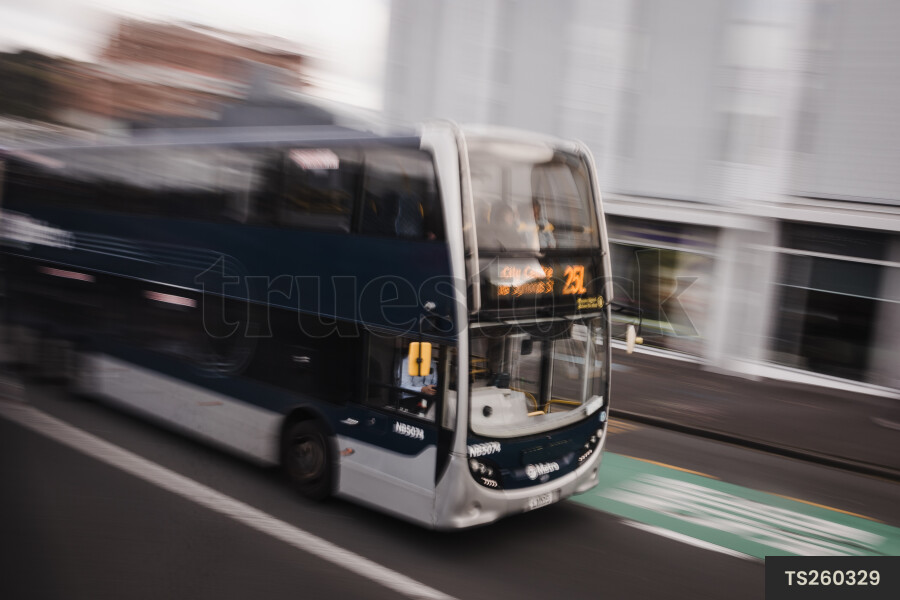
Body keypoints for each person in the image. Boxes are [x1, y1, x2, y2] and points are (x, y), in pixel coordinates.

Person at [399, 350, 438, 416]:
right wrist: (422, 389)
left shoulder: (431, 361)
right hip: (410, 398)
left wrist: (432, 388)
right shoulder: (406, 362)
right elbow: (404, 386)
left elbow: (435, 382)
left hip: (426, 398)